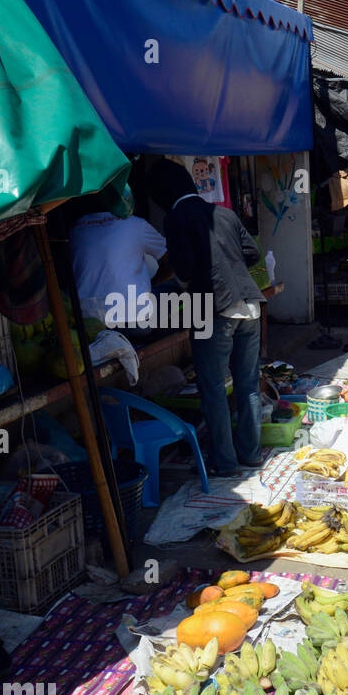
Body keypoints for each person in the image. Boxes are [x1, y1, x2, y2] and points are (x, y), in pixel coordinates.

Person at [146, 158, 264, 478]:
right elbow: (252, 253)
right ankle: (252, 455)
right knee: (248, 385)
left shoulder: (176, 218)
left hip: (211, 308)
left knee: (213, 390)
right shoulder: (224, 213)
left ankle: (224, 463)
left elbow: (183, 268)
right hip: (250, 304)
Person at [68, 195, 167, 334]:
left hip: (88, 321)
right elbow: (173, 260)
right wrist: (155, 282)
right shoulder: (136, 224)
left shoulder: (75, 229)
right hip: (134, 319)